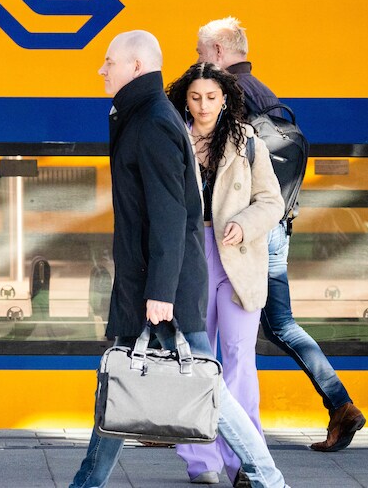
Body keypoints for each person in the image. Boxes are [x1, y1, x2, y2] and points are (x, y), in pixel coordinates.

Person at [68, 30, 289, 488]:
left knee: (206, 389)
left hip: (159, 286)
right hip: (148, 281)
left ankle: (269, 479)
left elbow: (172, 216)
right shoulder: (141, 117)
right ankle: (85, 485)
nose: (100, 69)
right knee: (119, 387)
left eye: (108, 61)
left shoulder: (151, 122)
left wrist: (161, 293)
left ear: (134, 66)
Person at [197, 17, 365, 452]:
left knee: (227, 340)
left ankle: (204, 436)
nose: (197, 63)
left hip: (239, 234)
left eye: (200, 53)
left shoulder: (228, 96)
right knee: (278, 324)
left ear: (217, 51)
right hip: (274, 226)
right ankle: (340, 406)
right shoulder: (267, 96)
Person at [167, 64, 285, 485]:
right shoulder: (171, 137)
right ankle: (201, 461)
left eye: (211, 97)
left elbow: (271, 201)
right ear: (185, 97)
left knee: (239, 361)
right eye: (195, 97)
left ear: (225, 98)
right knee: (197, 361)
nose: (203, 106)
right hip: (189, 258)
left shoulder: (247, 140)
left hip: (237, 259)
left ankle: (243, 461)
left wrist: (245, 224)